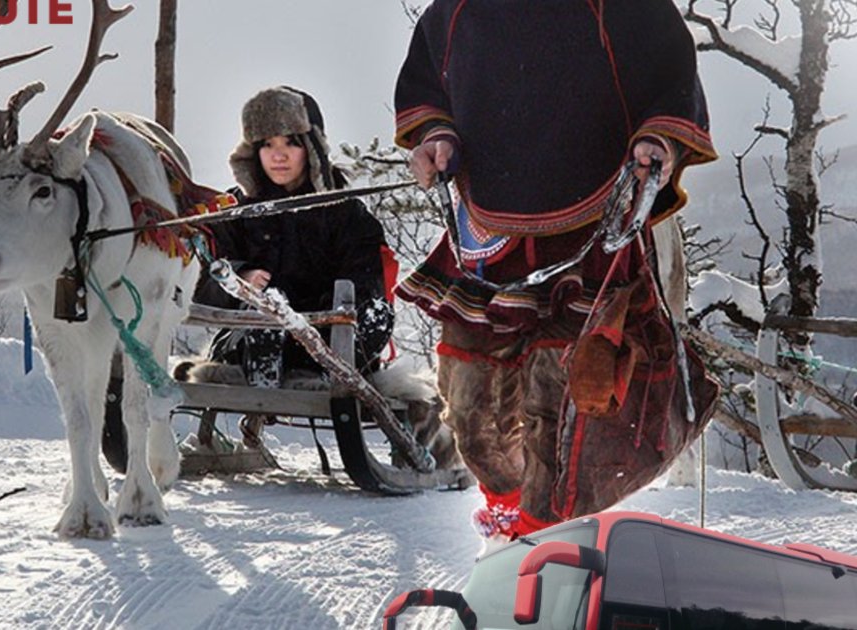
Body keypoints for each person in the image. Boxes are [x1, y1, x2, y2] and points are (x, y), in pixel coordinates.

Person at [393, 0, 720, 546]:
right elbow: (428, 83)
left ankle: (545, 540)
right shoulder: (456, 8)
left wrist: (657, 139)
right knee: (471, 413)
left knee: (566, 407)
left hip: (590, 224)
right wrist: (436, 135)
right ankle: (509, 515)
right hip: (489, 227)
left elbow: (672, 78)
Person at [194, 86, 394, 388]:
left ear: (311, 148)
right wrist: (237, 277)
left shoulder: (345, 211)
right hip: (250, 340)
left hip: (332, 340)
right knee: (270, 303)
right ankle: (263, 377)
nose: (278, 155)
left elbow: (367, 278)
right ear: (253, 151)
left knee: (377, 312)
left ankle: (334, 375)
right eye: (267, 144)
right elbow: (200, 279)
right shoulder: (234, 210)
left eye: (291, 142)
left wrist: (327, 312)